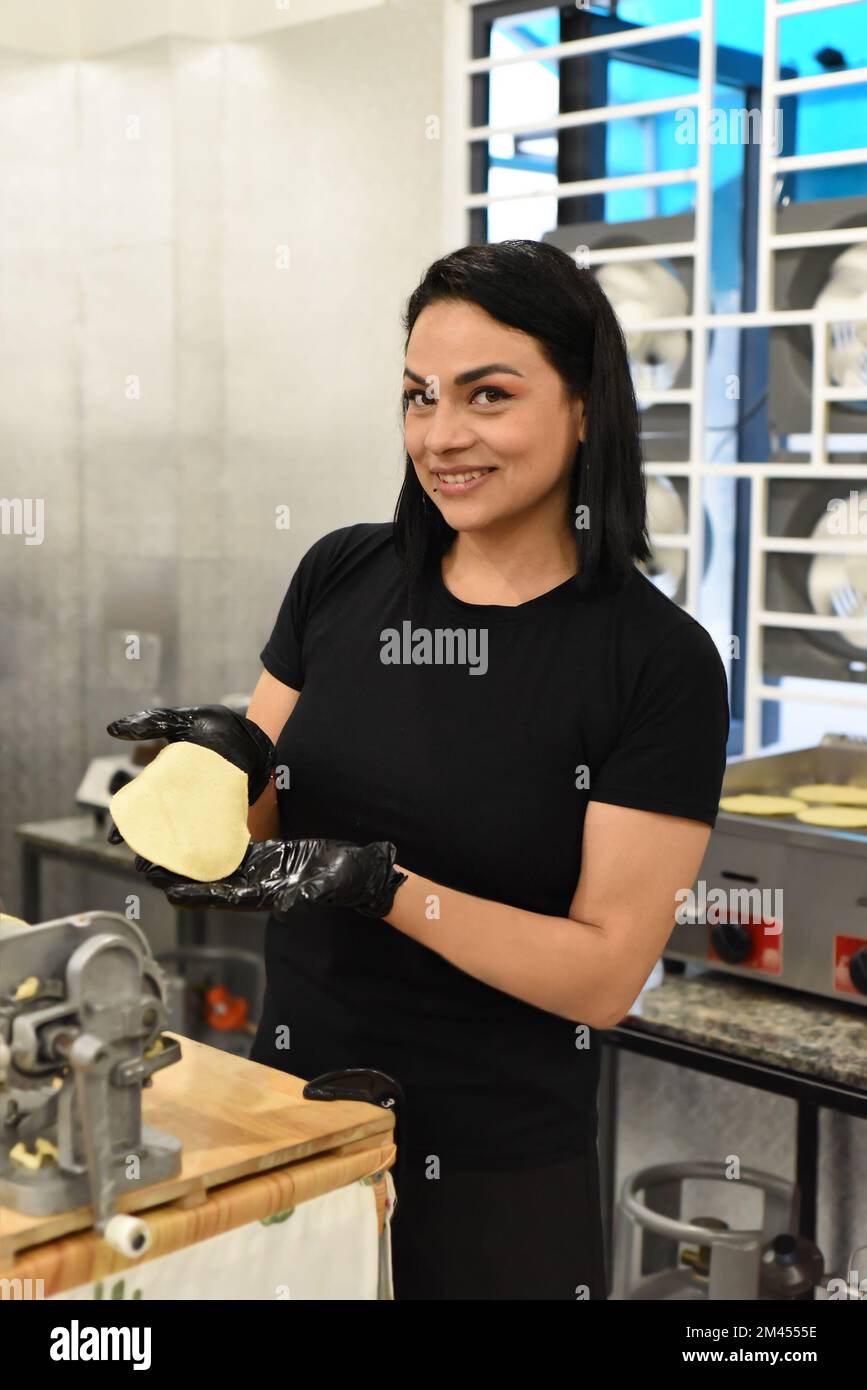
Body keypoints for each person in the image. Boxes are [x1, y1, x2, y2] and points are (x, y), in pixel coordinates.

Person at [108, 239, 730, 1300]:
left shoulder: (656, 662)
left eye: (489, 395)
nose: (441, 435)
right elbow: (254, 832)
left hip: (495, 1171)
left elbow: (605, 973)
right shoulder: (343, 574)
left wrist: (381, 887)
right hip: (291, 1126)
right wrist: (217, 757)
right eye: (419, 396)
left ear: (586, 406)